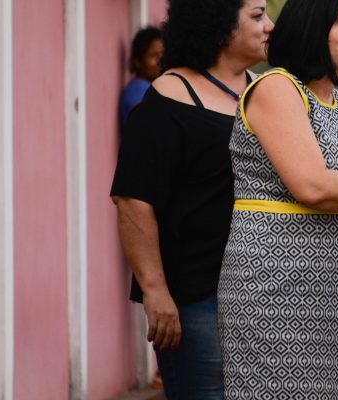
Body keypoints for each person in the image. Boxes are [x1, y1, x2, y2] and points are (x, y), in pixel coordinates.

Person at [216, 0, 338, 397]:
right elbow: (313, 187)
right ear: (311, 25)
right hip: (275, 293)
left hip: (333, 298)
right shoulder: (277, 87)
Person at [110, 0, 273, 398]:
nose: (270, 25)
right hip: (198, 296)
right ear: (217, 23)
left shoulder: (266, 92)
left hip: (260, 291)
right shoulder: (169, 95)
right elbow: (133, 199)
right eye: (257, 15)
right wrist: (155, 289)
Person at [120, 26, 163, 125]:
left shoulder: (151, 89)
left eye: (162, 55)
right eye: (153, 55)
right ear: (138, 60)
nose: (160, 61)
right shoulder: (138, 92)